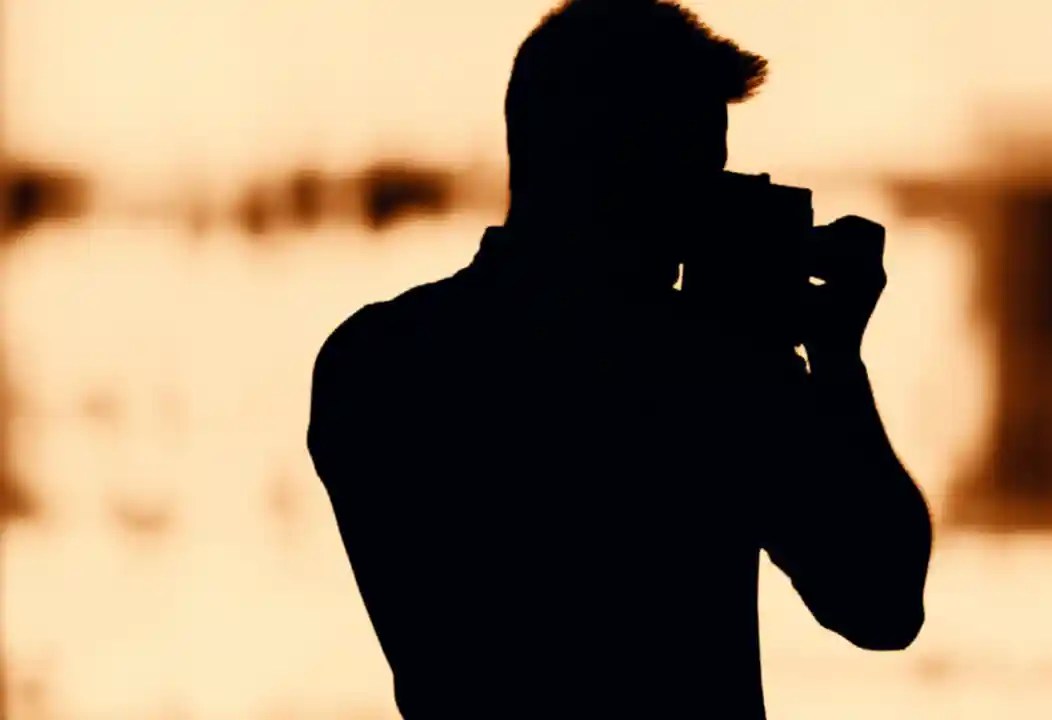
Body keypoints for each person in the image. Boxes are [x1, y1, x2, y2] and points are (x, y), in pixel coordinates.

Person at [306, 1, 932, 717]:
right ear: (614, 167)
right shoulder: (709, 372)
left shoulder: (377, 361)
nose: (718, 202)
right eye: (697, 170)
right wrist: (834, 362)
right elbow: (882, 604)